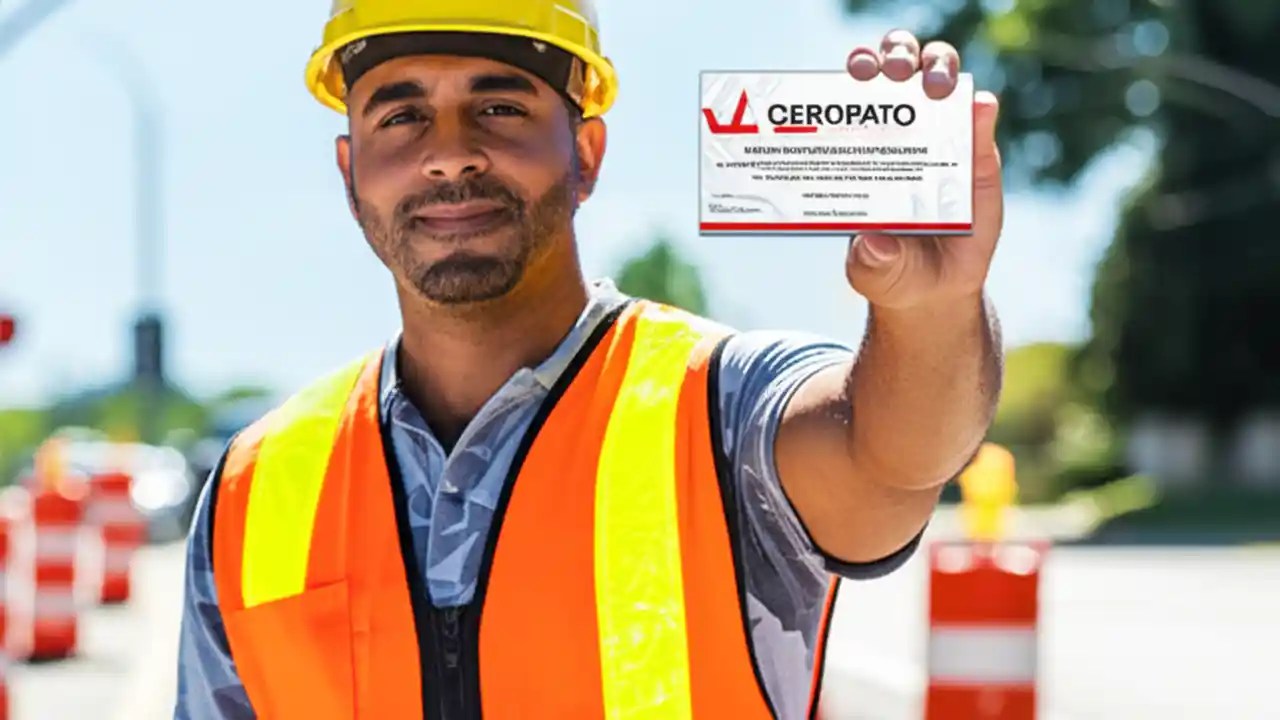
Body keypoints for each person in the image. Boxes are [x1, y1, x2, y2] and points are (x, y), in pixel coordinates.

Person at [173, 1, 1006, 718]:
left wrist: (929, 309)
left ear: (589, 154)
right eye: (401, 115)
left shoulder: (714, 402)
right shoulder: (258, 488)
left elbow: (891, 457)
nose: (450, 153)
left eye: (499, 108)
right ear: (351, 172)